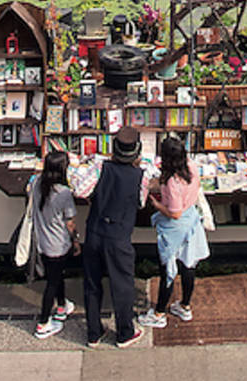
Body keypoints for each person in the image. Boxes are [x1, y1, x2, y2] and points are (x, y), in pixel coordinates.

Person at [82, 126, 145, 348]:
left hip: (95, 231)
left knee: (91, 283)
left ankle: (93, 332)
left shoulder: (101, 167)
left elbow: (82, 189)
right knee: (123, 285)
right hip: (118, 236)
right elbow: (141, 201)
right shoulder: (140, 176)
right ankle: (124, 332)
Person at [139, 134, 209, 329]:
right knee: (188, 266)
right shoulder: (191, 167)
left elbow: (174, 213)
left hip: (175, 228)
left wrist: (156, 204)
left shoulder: (172, 182)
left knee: (168, 270)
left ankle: (159, 312)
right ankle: (185, 306)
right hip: (191, 221)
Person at [29, 149, 78, 339]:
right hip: (59, 244)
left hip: (42, 242)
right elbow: (70, 222)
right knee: (52, 282)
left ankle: (62, 305)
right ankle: (43, 323)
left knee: (56, 276)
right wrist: (76, 240)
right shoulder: (63, 193)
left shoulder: (37, 184)